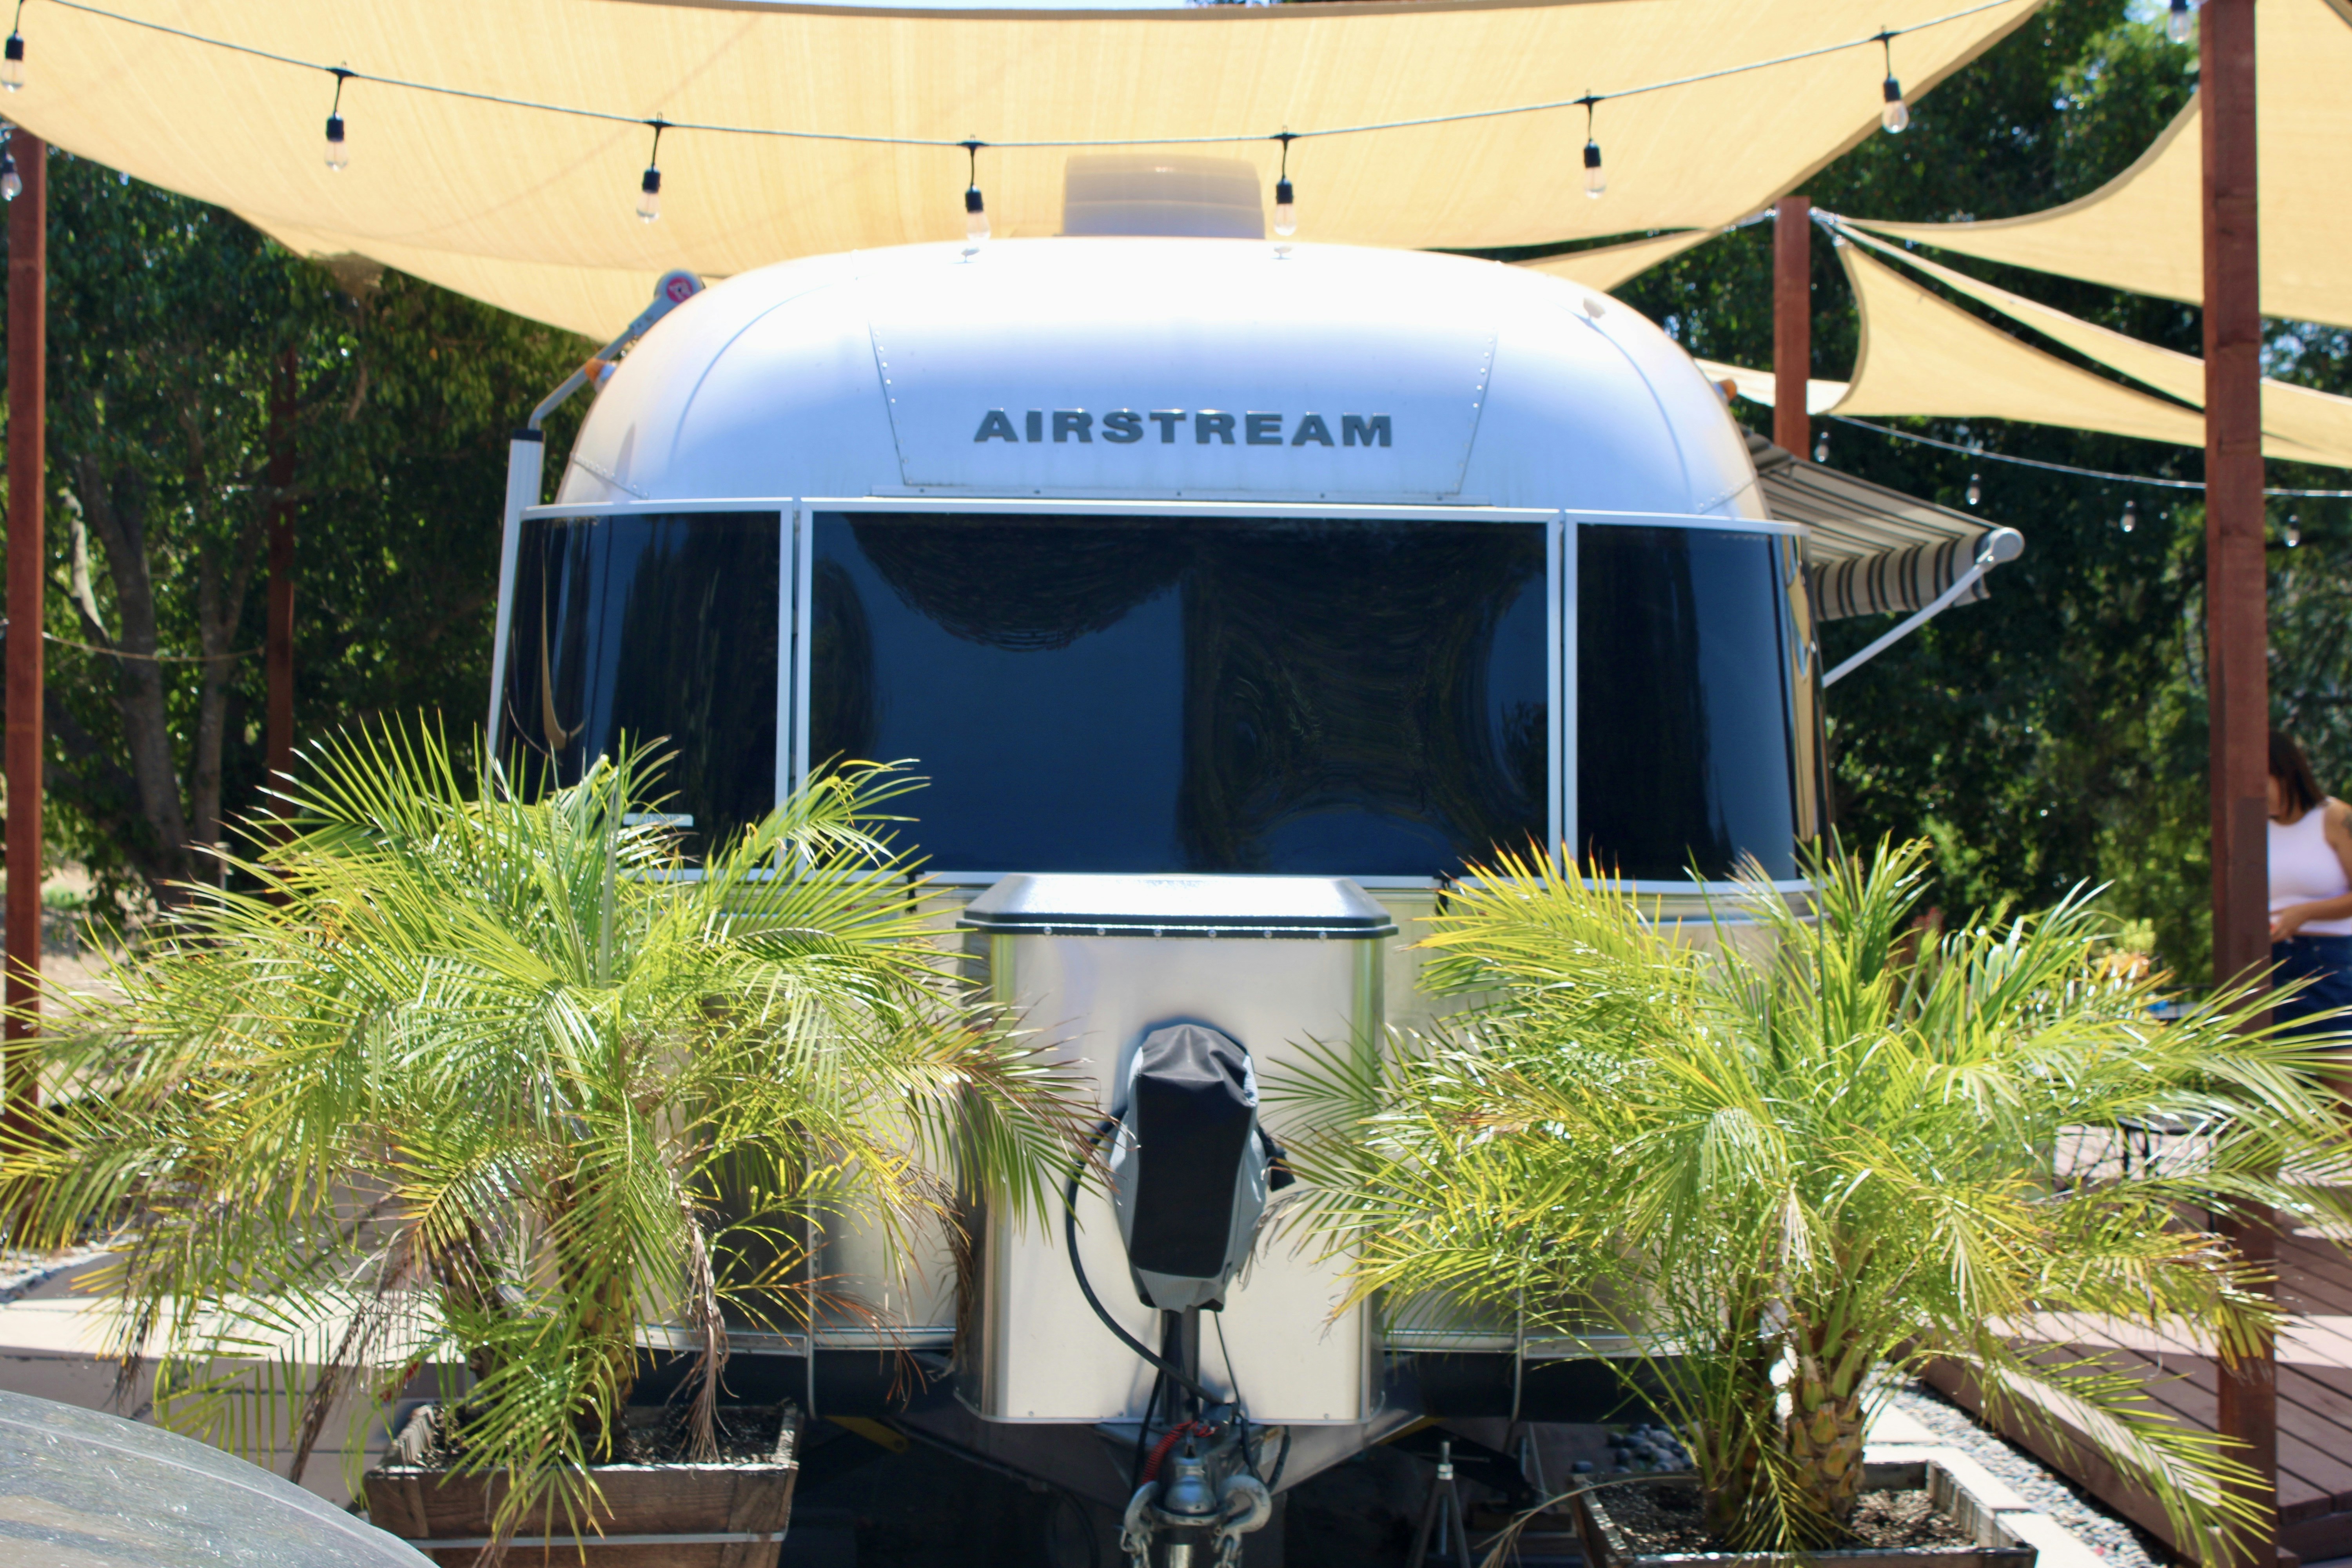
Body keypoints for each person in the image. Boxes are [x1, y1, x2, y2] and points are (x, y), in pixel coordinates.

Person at [2267, 729, 2352, 1036]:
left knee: (2340, 1078)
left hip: (2331, 960)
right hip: (2269, 965)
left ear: (2286, 773)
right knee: (2274, 1080)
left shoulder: (2335, 817)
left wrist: (2305, 913)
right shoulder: (2251, 828)